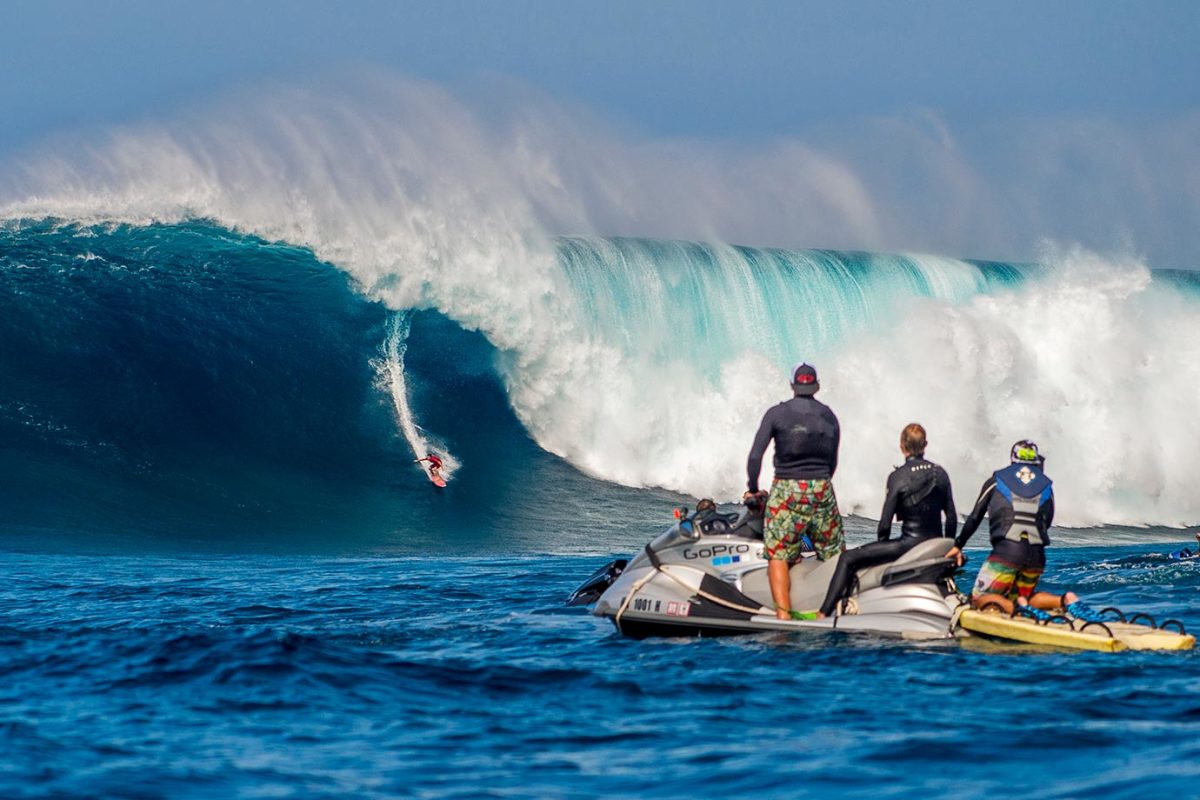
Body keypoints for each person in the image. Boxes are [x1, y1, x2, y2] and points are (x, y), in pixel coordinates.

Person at [946, 440, 1100, 621]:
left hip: (1006, 554)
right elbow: (1047, 520)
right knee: (1023, 595)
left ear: (1013, 458)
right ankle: (1065, 599)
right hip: (1036, 555)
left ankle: (1019, 607)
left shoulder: (997, 480)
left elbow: (974, 516)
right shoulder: (1046, 486)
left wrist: (958, 545)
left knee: (980, 598)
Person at [816, 423, 956, 618]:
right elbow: (951, 517)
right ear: (925, 444)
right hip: (935, 544)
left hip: (908, 545)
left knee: (847, 558)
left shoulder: (898, 476)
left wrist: (882, 547)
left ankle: (823, 612)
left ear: (902, 447)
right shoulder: (940, 473)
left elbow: (885, 524)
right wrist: (950, 547)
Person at [744, 362, 844, 620]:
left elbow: (756, 456)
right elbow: (833, 460)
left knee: (778, 552)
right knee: (834, 552)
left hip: (786, 487)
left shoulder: (777, 414)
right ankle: (837, 609)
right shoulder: (829, 415)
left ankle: (783, 615)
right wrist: (819, 483)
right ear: (817, 386)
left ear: (792, 385)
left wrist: (753, 489)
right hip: (821, 486)